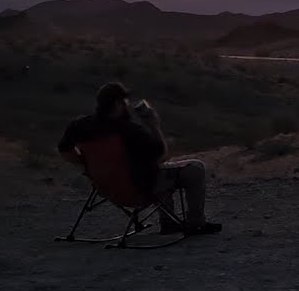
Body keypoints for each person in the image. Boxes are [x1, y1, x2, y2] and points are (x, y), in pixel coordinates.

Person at [58, 82, 220, 235]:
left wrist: (89, 166)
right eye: (125, 102)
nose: (127, 105)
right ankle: (196, 223)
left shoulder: (78, 126)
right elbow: (161, 156)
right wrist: (154, 125)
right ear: (116, 104)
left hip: (106, 189)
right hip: (138, 190)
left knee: (156, 171)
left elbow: (64, 150)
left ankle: (169, 223)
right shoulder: (129, 131)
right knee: (195, 168)